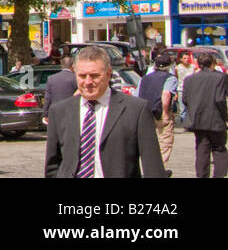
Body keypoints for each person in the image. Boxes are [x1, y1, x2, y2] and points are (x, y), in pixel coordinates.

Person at [43, 44, 165, 178]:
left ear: (108, 74)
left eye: (94, 76)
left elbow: (153, 167)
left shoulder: (136, 110)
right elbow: (52, 166)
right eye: (82, 76)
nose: (88, 82)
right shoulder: (59, 111)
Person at [181, 52, 227, 179]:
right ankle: (219, 175)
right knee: (219, 149)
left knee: (202, 150)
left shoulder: (189, 79)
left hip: (198, 119)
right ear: (213, 63)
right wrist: (226, 117)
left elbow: (185, 99)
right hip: (216, 118)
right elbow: (220, 100)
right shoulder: (220, 77)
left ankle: (201, 176)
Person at [136, 51, 177, 172]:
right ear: (169, 66)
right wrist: (165, 113)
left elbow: (136, 95)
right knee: (164, 143)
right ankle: (159, 171)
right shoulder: (170, 78)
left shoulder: (144, 78)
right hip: (159, 114)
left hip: (144, 114)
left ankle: (148, 170)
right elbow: (166, 94)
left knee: (148, 144)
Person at [42, 54, 76, 120]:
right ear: (72, 66)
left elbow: (48, 98)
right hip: (72, 112)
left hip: (55, 112)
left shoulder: (51, 78)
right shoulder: (76, 78)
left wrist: (45, 114)